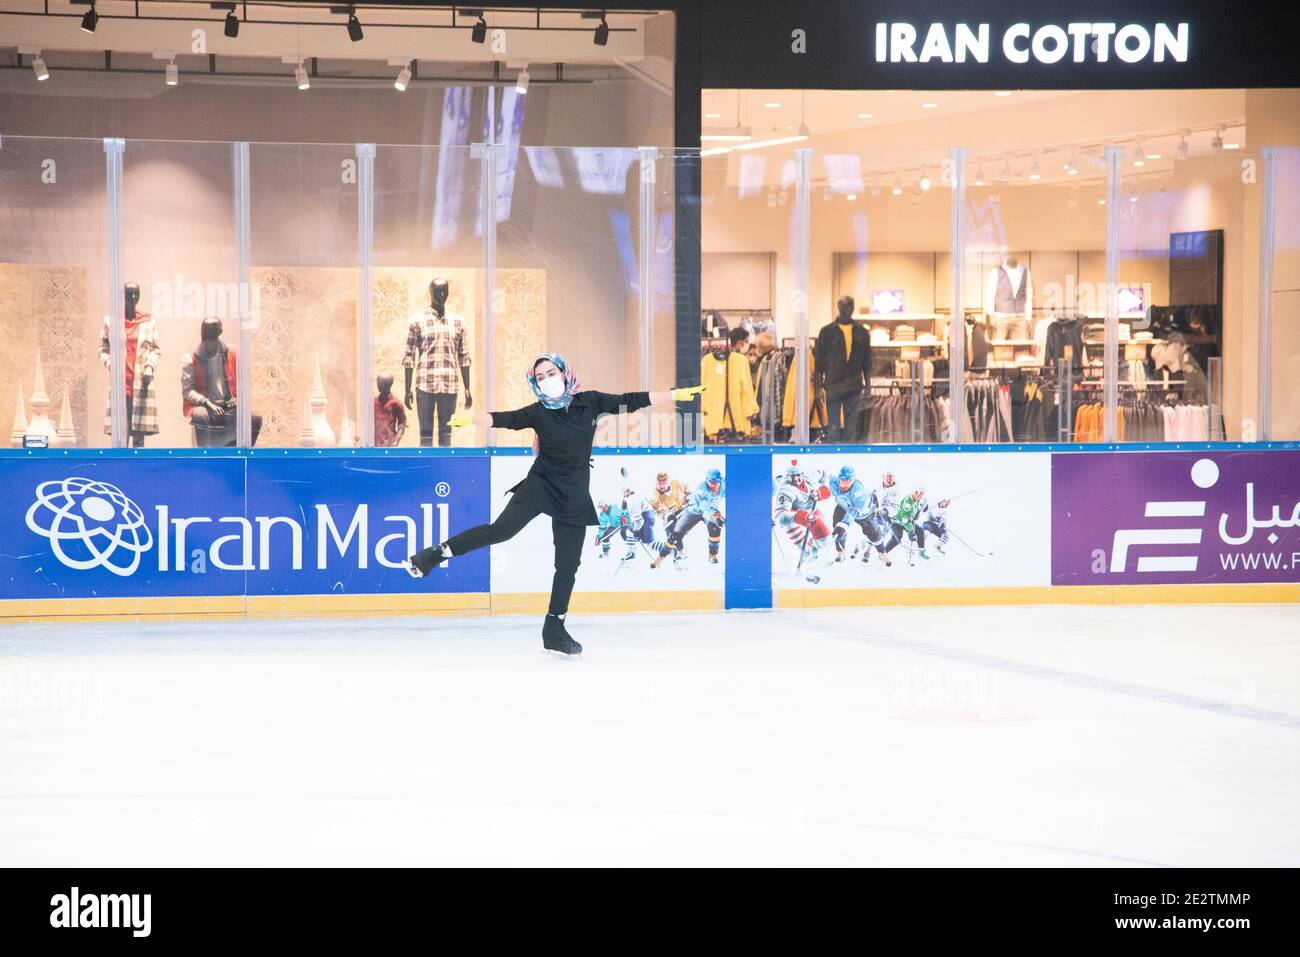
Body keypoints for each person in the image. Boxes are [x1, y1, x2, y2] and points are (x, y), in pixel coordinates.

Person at [404, 353, 705, 656]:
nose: (547, 379)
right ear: (535, 383)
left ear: (564, 372)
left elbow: (630, 399)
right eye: (540, 377)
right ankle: (436, 553)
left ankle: (554, 628)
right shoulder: (538, 413)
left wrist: (673, 395)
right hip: (541, 485)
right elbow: (504, 418)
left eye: (551, 372)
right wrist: (471, 419)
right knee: (501, 530)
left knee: (567, 565)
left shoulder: (591, 401)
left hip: (574, 494)